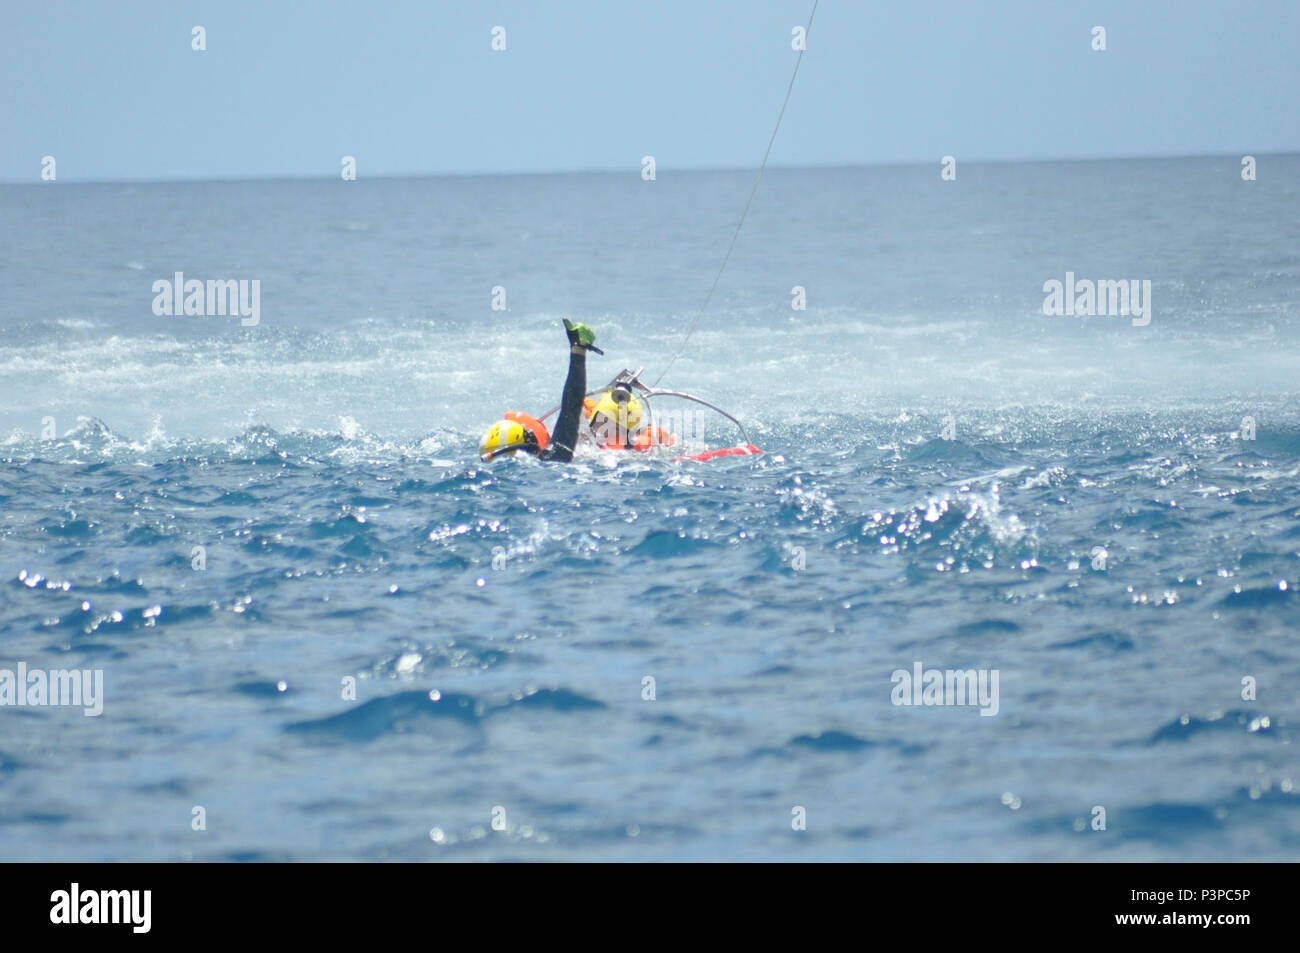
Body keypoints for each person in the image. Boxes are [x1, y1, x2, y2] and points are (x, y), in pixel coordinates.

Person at [478, 319, 674, 461]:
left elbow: (572, 407)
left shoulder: (556, 455)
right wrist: (578, 351)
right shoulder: (557, 455)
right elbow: (570, 406)